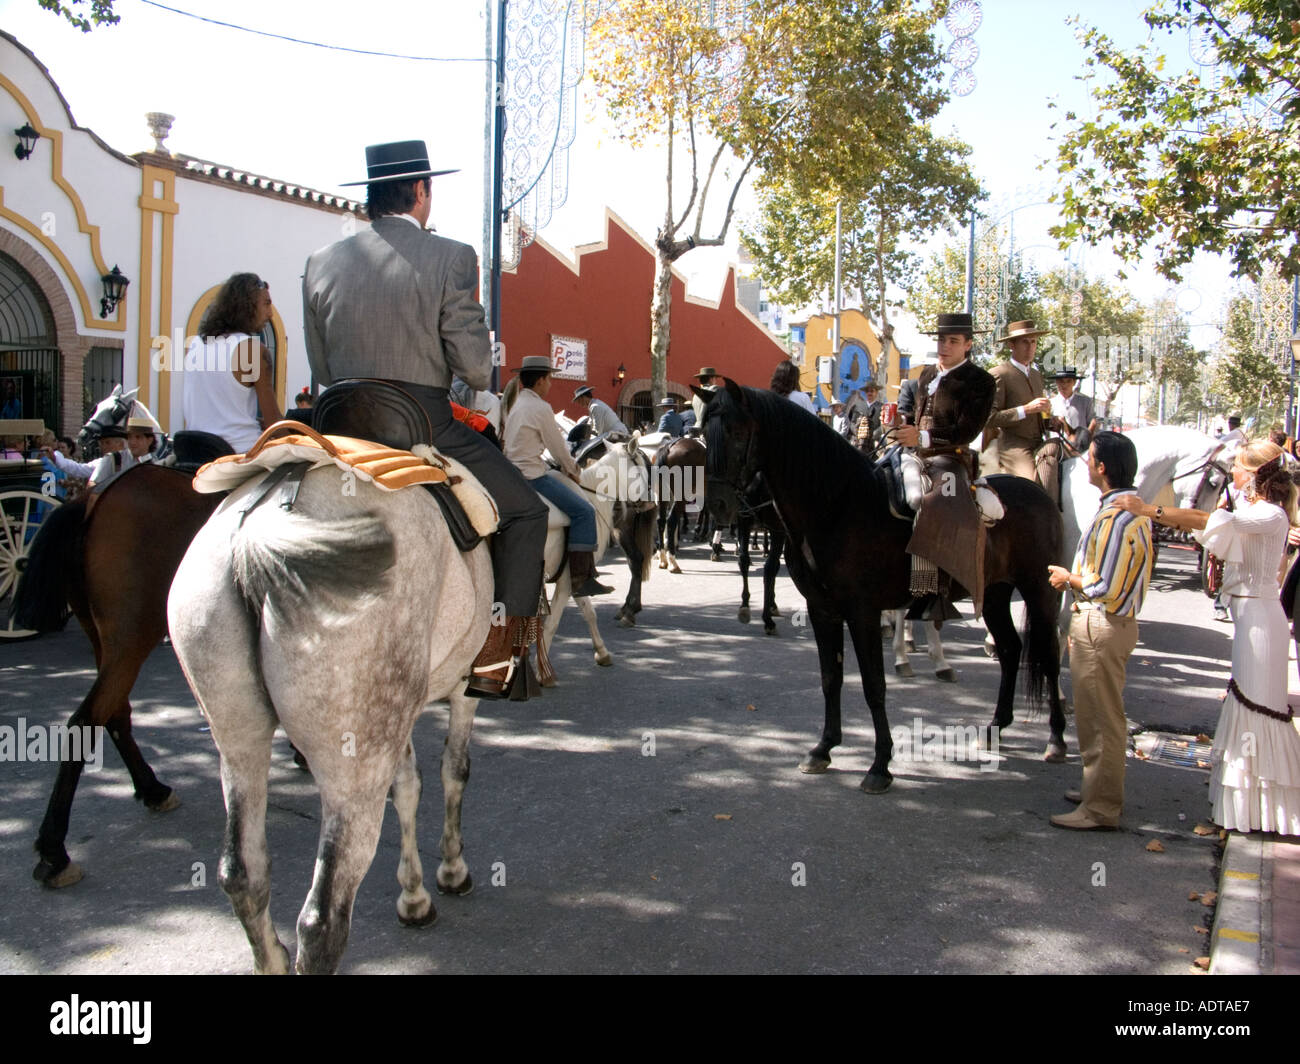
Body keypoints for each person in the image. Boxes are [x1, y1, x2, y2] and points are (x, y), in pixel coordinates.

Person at [303, 139, 548, 701]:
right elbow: (476, 369)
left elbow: (321, 369)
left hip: (338, 430)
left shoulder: (320, 262)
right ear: (420, 190)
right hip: (421, 427)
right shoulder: (452, 257)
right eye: (429, 189)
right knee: (527, 513)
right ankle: (494, 659)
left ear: (371, 195)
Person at [1118, 441, 1300, 835]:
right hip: (1250, 618)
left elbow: (1203, 521)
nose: (1231, 473)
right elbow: (1210, 524)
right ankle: (1248, 809)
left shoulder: (1268, 514)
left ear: (1253, 475)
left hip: (1261, 621)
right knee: (1246, 704)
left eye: (1237, 467)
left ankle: (1266, 811)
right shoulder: (1253, 512)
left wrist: (1149, 510)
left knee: (1257, 708)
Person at [1047, 431, 1154, 830]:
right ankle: (1097, 788)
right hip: (1108, 623)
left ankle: (1100, 807)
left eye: (1089, 457)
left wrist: (1067, 578)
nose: (1085, 463)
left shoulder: (1115, 517)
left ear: (1102, 468)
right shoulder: (1128, 511)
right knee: (1095, 716)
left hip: (1101, 620)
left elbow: (1102, 585)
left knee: (1103, 718)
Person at [893, 312, 997, 618]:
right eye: (941, 339)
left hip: (951, 457)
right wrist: (904, 429)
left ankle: (931, 590)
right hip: (914, 452)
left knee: (934, 501)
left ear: (968, 344)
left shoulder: (981, 381)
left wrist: (922, 435)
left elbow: (968, 431)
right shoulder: (926, 374)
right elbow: (916, 415)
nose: (945, 345)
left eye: (953, 340)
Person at [504, 356, 612, 597]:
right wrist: (574, 471)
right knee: (585, 511)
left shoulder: (516, 404)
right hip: (532, 476)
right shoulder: (540, 408)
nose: (551, 384)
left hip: (511, 473)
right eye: (550, 378)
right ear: (541, 380)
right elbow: (558, 448)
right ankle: (580, 578)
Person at [181, 273, 280, 454]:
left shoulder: (194, 345)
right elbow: (275, 423)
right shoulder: (253, 350)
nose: (270, 313)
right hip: (238, 454)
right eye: (266, 304)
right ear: (247, 305)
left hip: (194, 452)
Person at [985, 319, 1051, 480]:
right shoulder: (999, 374)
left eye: (1033, 342)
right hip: (1013, 445)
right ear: (1011, 345)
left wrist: (1050, 418)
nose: (1030, 347)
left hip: (1039, 441)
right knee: (1031, 482)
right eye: (1025, 342)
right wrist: (1026, 409)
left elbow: (1041, 415)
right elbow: (990, 419)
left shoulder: (1036, 375)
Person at [1051, 367, 1098, 454]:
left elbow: (1092, 423)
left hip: (1080, 451)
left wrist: (1085, 441)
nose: (1064, 385)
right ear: (1057, 382)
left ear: (1074, 382)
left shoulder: (1085, 401)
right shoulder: (1050, 404)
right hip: (1057, 451)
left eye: (1068, 381)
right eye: (1061, 381)